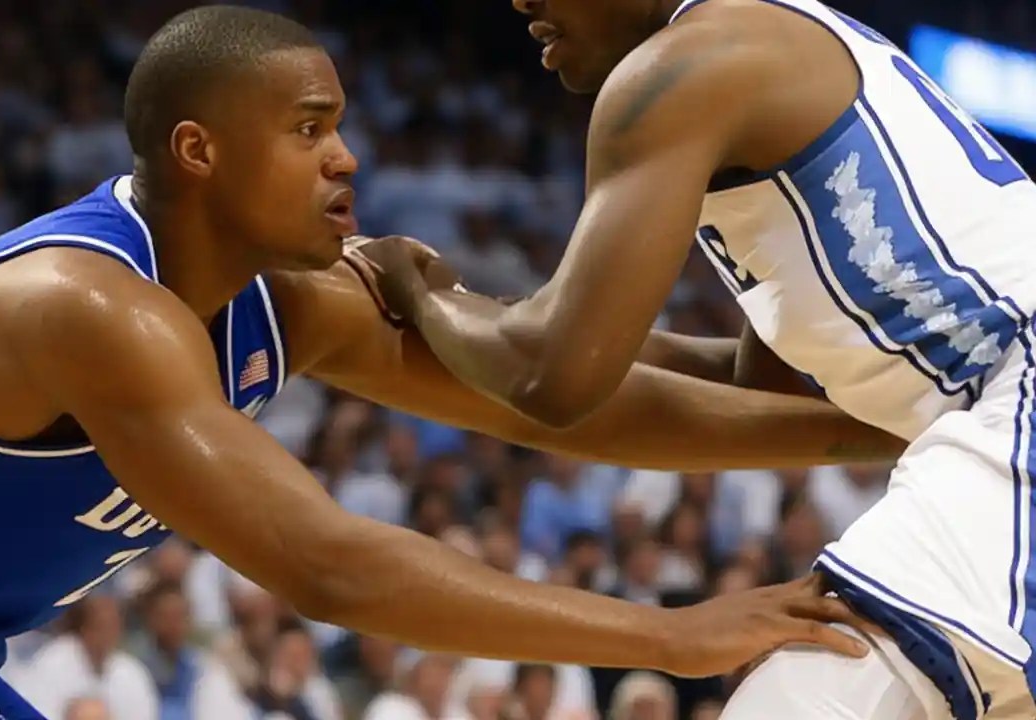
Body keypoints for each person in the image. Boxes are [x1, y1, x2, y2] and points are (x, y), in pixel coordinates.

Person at [0, 6, 901, 719]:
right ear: (198, 152)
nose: (346, 156)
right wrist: (672, 632)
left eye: (340, 123)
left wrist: (864, 422)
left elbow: (561, 402)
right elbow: (328, 568)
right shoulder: (81, 304)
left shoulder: (292, 303)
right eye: (307, 129)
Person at [353, 0, 1036, 717]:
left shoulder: (683, 68)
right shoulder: (763, 50)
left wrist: (419, 292)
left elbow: (552, 377)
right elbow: (762, 387)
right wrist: (496, 318)